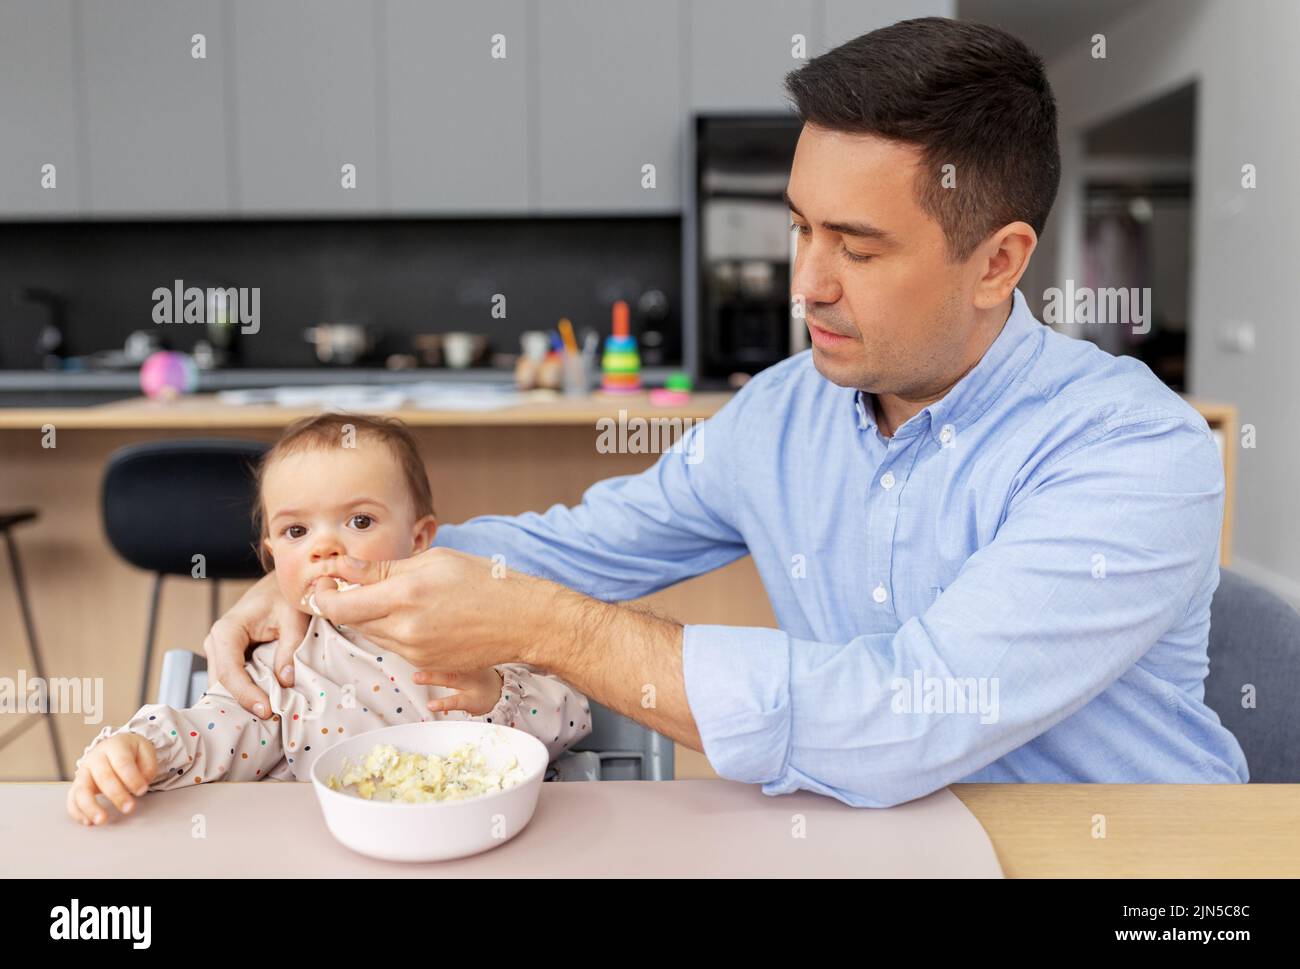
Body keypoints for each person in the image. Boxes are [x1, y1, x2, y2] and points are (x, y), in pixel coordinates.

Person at [203, 18, 1247, 808]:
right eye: (799, 228)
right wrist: (342, 571)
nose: (807, 284)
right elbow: (583, 547)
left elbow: (904, 715)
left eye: (859, 246)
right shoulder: (782, 414)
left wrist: (547, 630)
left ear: (998, 262)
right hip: (881, 846)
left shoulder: (1131, 450)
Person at [69, 413, 590, 825]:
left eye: (359, 520)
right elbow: (215, 736)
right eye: (297, 532)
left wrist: (494, 692)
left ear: (420, 538)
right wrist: (141, 749)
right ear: (271, 557)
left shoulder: (469, 624)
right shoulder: (284, 666)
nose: (325, 547)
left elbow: (569, 721)